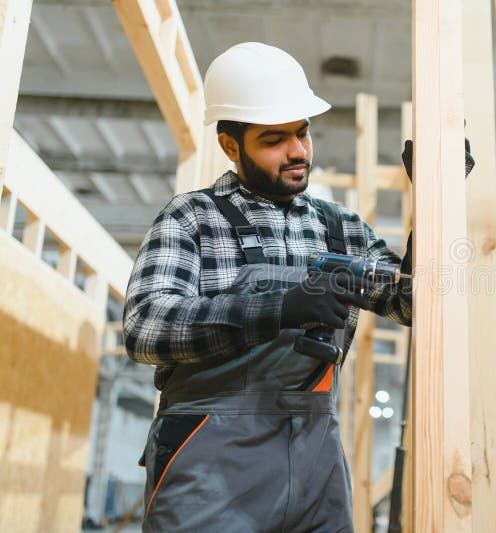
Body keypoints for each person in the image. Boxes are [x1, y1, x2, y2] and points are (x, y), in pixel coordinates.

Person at [123, 42, 415, 532]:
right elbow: (145, 328)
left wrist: (433, 204)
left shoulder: (338, 227)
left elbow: (409, 303)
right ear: (230, 146)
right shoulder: (192, 218)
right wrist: (281, 306)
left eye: (303, 132)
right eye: (275, 139)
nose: (298, 151)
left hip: (314, 463)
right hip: (209, 461)